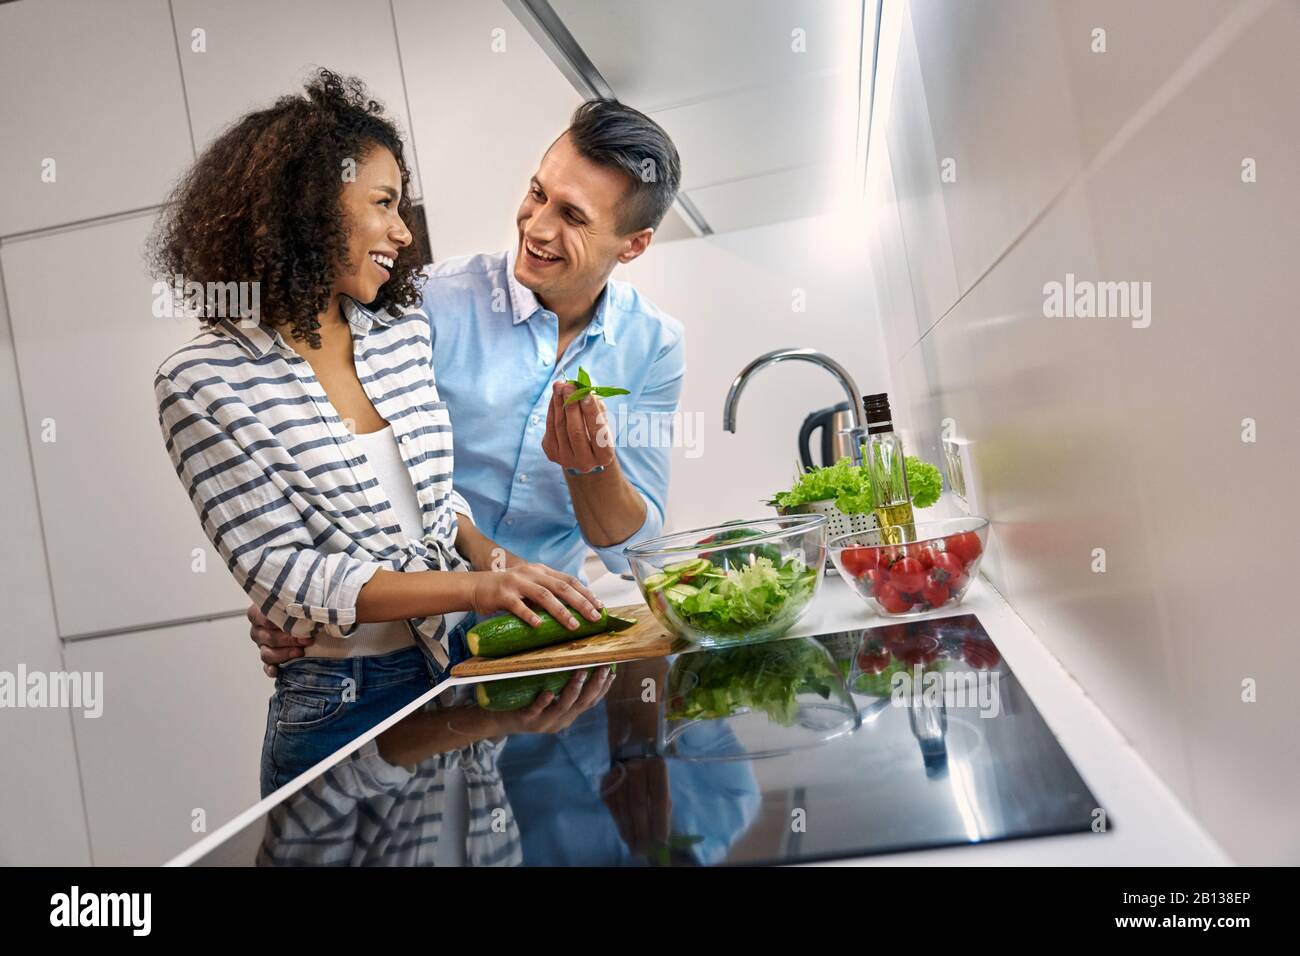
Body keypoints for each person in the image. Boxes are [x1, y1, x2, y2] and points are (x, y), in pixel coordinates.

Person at [151, 69, 602, 797]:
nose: (404, 230)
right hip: (341, 701)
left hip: (452, 664)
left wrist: (495, 561)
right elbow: (289, 577)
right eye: (384, 203)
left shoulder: (400, 333)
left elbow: (430, 497)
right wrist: (477, 588)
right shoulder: (203, 384)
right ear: (307, 208)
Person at [250, 98, 686, 675]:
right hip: (408, 642)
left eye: (574, 218)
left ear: (633, 244)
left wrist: (591, 466)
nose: (538, 227)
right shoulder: (428, 301)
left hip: (543, 641)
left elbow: (630, 553)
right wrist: (290, 584)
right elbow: (334, 462)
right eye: (537, 194)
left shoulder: (653, 344)